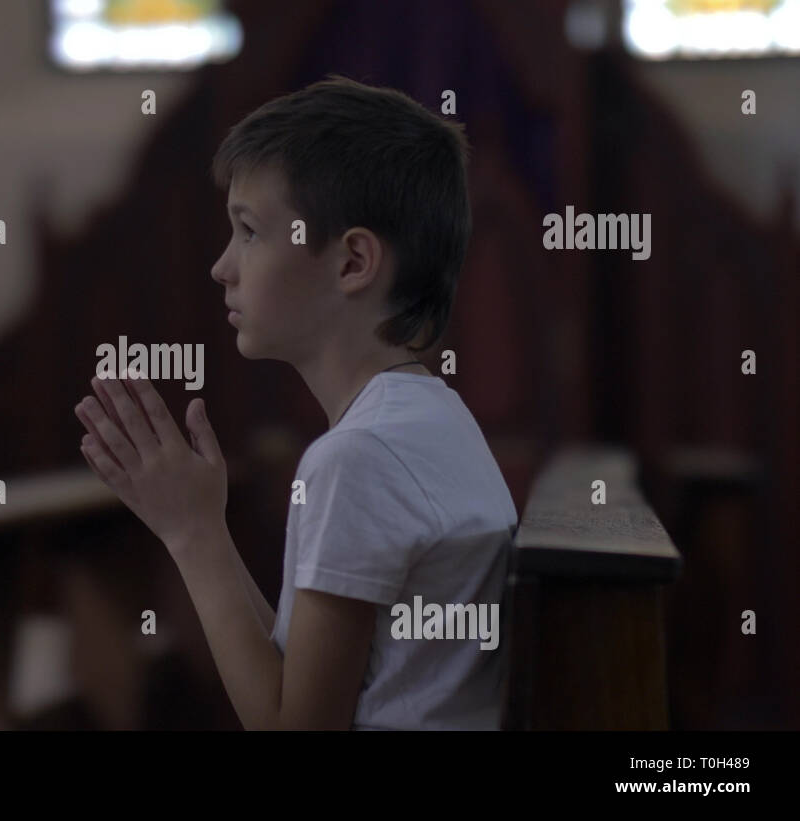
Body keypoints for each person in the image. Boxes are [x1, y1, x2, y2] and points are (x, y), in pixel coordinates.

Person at [74, 76, 518, 730]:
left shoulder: (356, 458)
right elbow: (292, 670)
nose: (222, 266)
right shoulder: (434, 419)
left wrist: (192, 535)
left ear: (352, 262)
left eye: (249, 231)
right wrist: (202, 525)